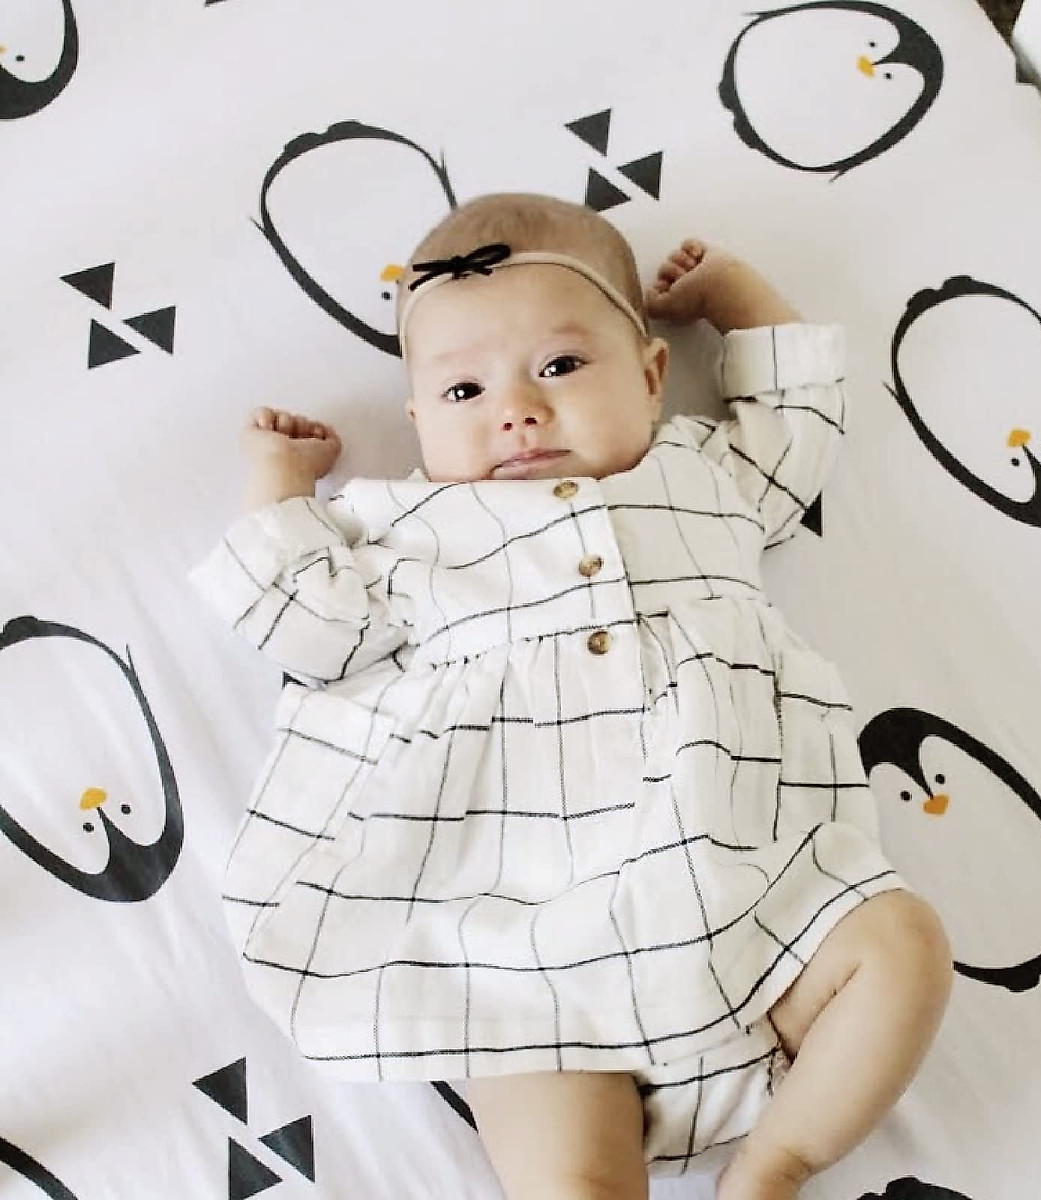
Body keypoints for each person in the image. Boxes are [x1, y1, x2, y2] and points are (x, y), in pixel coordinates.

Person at [191, 192, 953, 1200]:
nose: (516, 409)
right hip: (522, 941)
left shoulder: (702, 480)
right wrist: (281, 483)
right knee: (572, 1174)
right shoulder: (412, 530)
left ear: (651, 376)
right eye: (464, 389)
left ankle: (777, 1163)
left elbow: (800, 421)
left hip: (755, 898)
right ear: (418, 424)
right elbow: (303, 620)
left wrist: (732, 296)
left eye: (559, 366)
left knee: (903, 945)